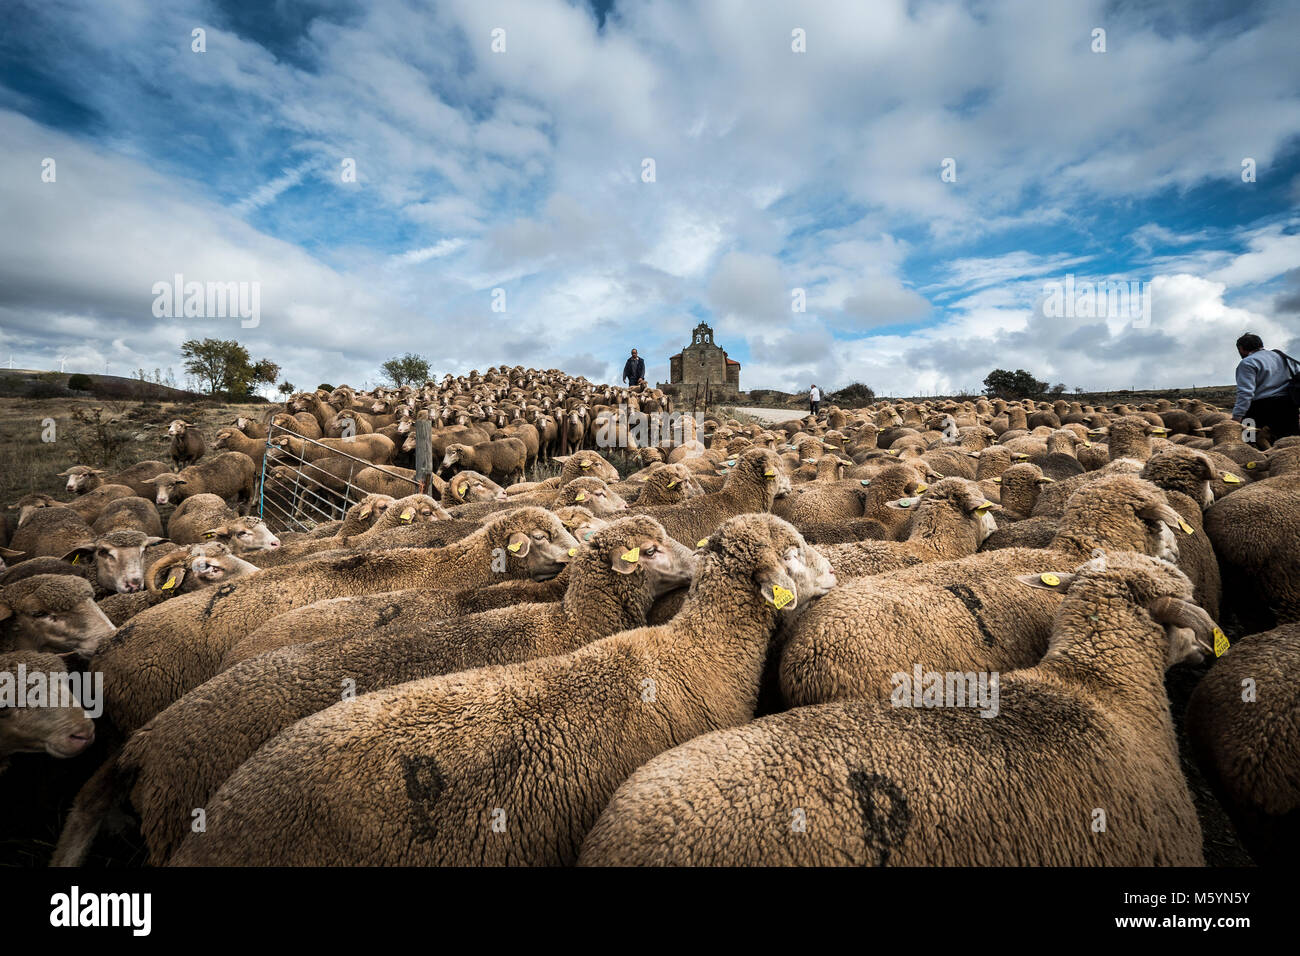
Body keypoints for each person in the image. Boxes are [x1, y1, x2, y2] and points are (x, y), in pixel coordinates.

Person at [1232, 332, 1299, 444]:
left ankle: (1251, 458)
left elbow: (1246, 393)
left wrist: (1237, 416)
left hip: (1260, 408)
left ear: (1241, 349)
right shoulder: (1281, 356)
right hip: (1288, 406)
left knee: (1248, 441)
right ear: (1260, 345)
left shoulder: (1247, 362)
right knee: (1291, 442)